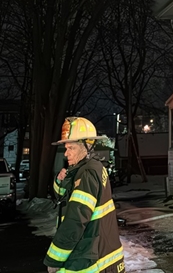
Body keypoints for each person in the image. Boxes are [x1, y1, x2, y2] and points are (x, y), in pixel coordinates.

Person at [44, 117, 124, 273]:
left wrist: (54, 259)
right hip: (96, 252)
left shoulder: (87, 173)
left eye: (71, 148)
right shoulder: (86, 169)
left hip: (91, 259)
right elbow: (64, 198)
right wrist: (60, 181)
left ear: (87, 146)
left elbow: (76, 219)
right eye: (65, 148)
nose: (66, 153)